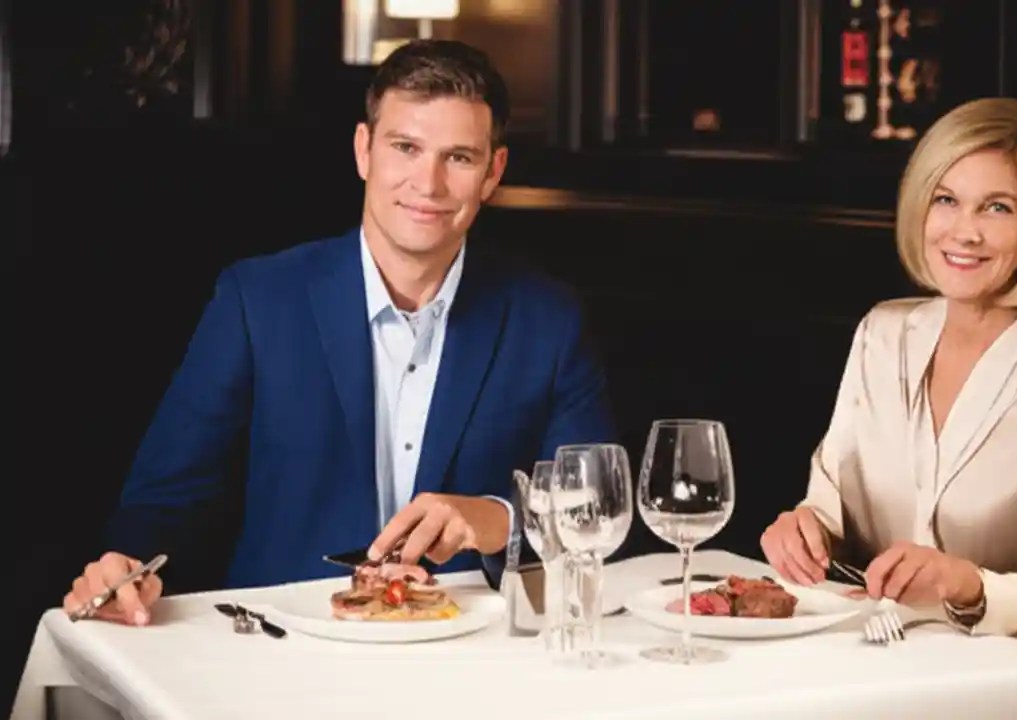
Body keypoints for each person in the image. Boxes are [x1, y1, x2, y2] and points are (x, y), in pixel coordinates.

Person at [61, 39, 615, 627]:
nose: (428, 184)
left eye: (458, 157)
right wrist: (127, 566)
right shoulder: (257, 300)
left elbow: (600, 514)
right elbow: (162, 501)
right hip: (284, 644)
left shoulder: (548, 320)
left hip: (467, 652)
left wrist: (498, 519)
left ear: (492, 173)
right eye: (405, 148)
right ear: (363, 151)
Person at [760, 97, 1017, 712]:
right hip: (869, 667)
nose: (964, 231)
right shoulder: (881, 334)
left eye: (997, 207)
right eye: (946, 199)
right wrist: (801, 530)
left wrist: (967, 585)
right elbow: (827, 505)